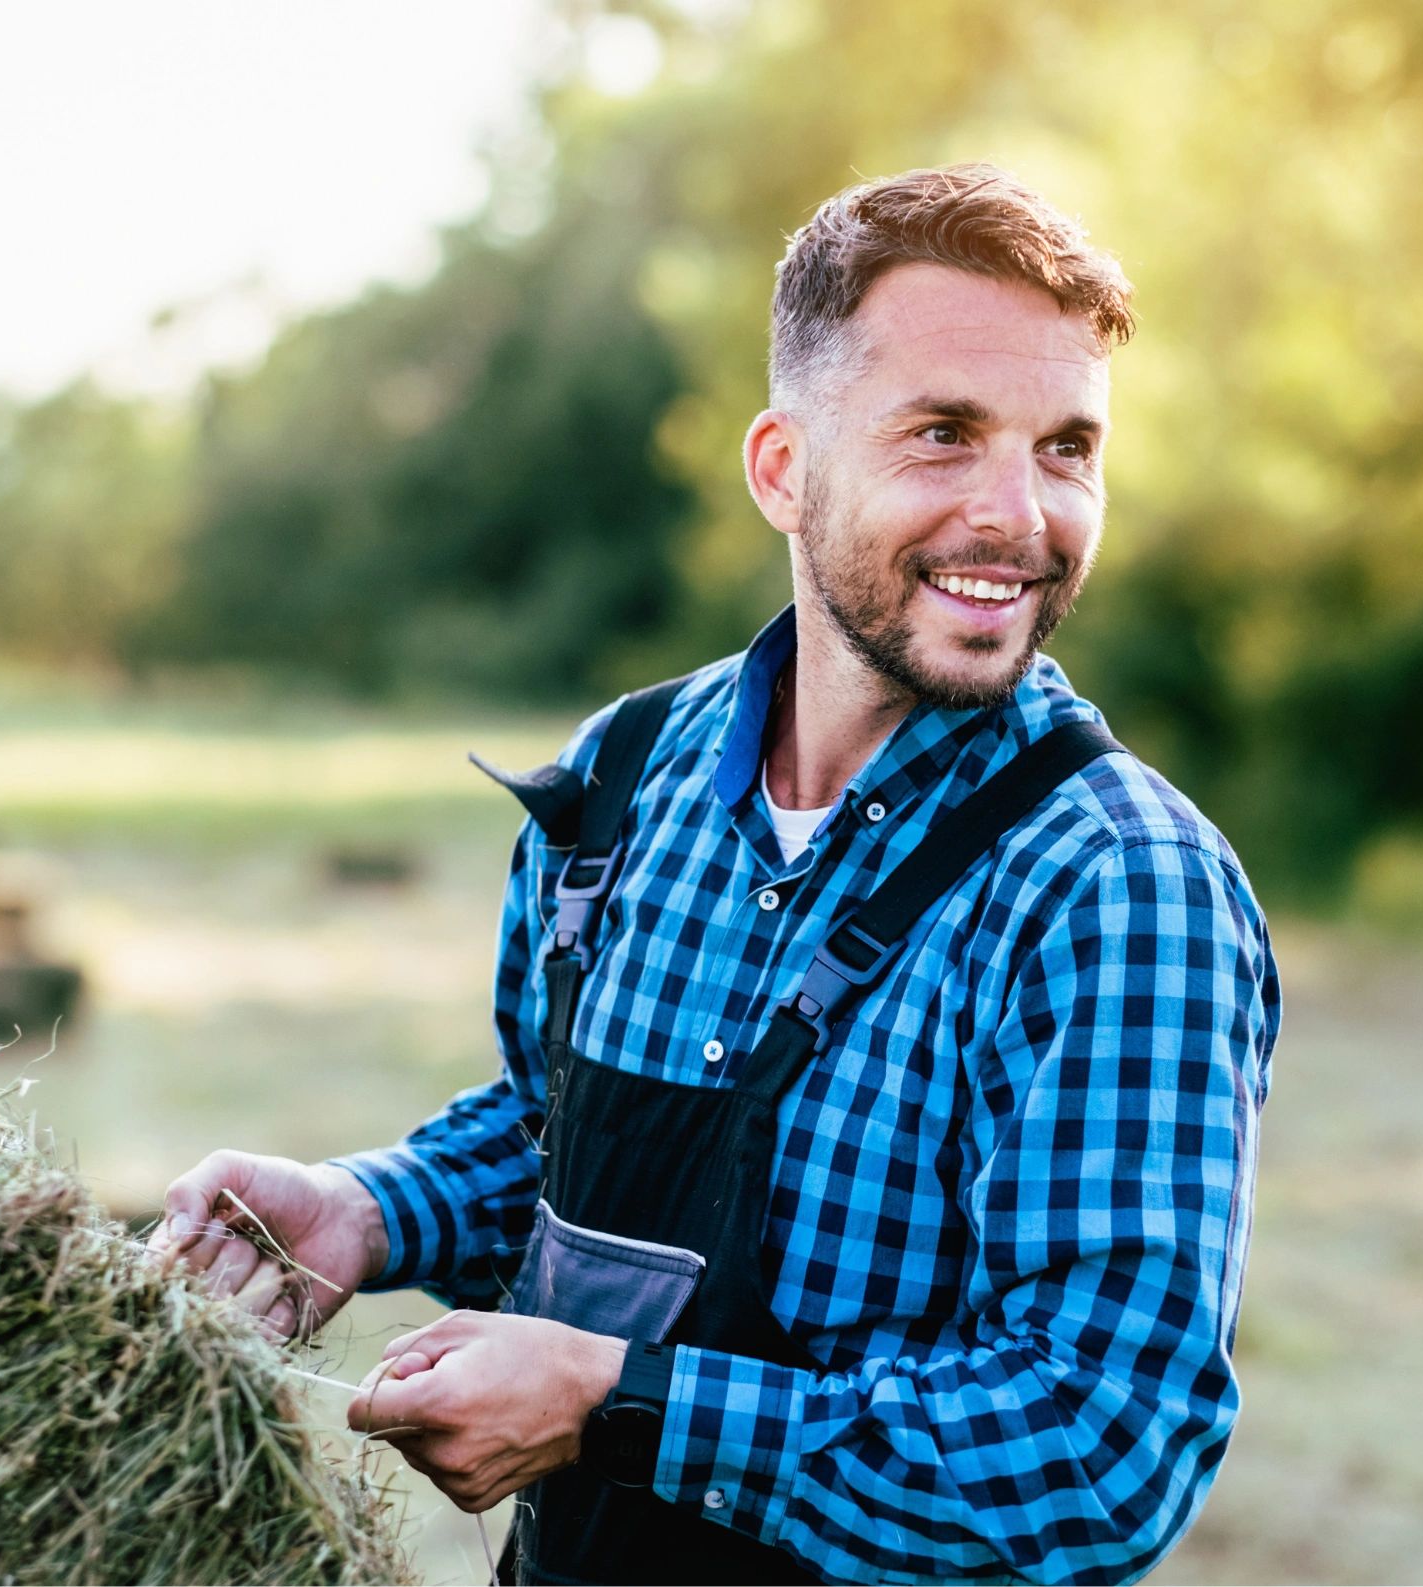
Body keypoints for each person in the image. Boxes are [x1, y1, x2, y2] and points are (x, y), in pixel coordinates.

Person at [151, 162, 1281, 1586]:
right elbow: (561, 1137)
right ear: (782, 469)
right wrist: (370, 1209)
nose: (1017, 514)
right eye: (943, 434)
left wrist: (614, 1406)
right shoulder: (621, 778)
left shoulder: (1117, 888)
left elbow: (1095, 1455)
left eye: (1065, 448)